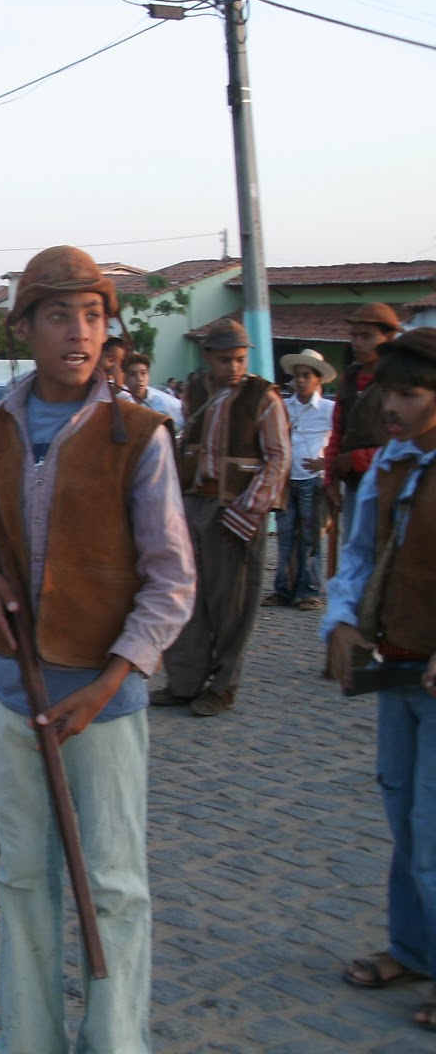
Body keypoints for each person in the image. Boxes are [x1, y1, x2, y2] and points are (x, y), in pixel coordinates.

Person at [0, 244, 195, 1054]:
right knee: (22, 877)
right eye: (59, 314)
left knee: (116, 887)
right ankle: (28, 1037)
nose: (79, 332)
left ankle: (117, 1041)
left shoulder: (139, 432)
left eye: (92, 315)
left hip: (104, 700)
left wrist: (115, 678)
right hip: (14, 682)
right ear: (24, 326)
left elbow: (171, 578)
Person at [321, 327, 436, 1034]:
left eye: (409, 394)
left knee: (433, 824)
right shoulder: (393, 464)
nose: (391, 406)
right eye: (389, 391)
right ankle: (414, 948)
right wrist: (340, 620)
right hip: (397, 670)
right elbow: (359, 556)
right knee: (401, 811)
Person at [156, 318, 290, 717]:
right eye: (225, 360)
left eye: (239, 359)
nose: (233, 367)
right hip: (193, 503)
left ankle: (222, 686)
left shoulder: (263, 397)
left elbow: (279, 457)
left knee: (231, 604)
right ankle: (184, 683)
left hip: (235, 508)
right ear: (207, 357)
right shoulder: (195, 391)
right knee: (187, 599)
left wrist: (250, 509)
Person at [265, 349, 336, 611]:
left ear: (318, 380)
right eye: (298, 376)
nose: (302, 380)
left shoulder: (329, 409)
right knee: (285, 537)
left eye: (307, 376)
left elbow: (341, 439)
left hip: (311, 479)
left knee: (310, 538)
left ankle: (310, 591)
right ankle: (283, 588)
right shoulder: (284, 407)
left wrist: (326, 463)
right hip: (286, 479)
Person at [326, 302, 401, 543]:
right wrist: (329, 478)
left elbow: (406, 442)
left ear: (389, 337)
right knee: (355, 551)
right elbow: (337, 431)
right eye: (354, 336)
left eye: (366, 336)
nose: (357, 343)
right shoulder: (349, 378)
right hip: (355, 486)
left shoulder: (400, 381)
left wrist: (357, 459)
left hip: (392, 485)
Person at [121, 352, 183, 426]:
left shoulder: (160, 402)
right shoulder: (121, 401)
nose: (139, 379)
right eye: (133, 374)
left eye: (143, 373)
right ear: (125, 377)